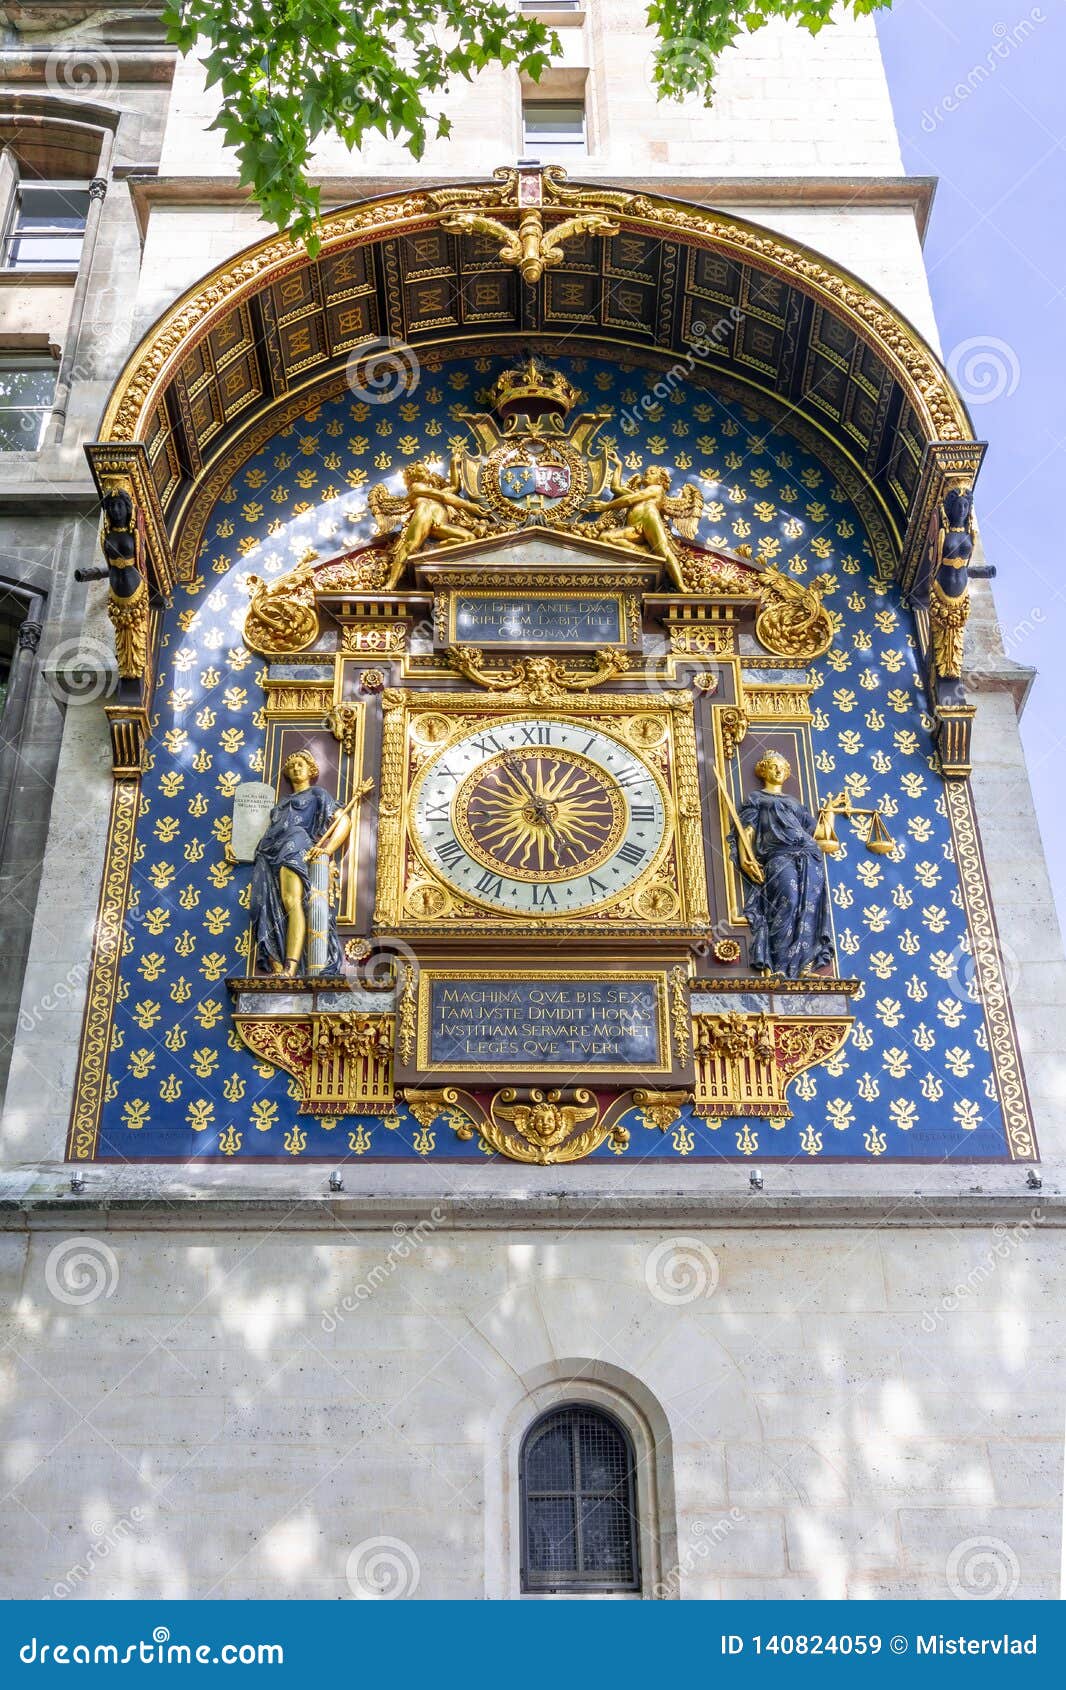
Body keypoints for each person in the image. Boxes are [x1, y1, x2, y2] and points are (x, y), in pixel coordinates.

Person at [250, 750, 350, 977]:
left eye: (300, 764)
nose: (295, 768)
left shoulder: (317, 794)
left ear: (311, 770)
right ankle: (278, 962)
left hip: (294, 846)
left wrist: (327, 850)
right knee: (268, 907)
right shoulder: (283, 802)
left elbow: (344, 821)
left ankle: (291, 967)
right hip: (268, 854)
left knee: (291, 902)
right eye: (292, 765)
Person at [734, 751, 833, 980]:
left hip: (810, 857)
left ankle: (804, 968)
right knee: (788, 901)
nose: (778, 770)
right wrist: (745, 858)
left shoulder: (795, 803)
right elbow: (747, 831)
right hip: (779, 856)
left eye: (782, 767)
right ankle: (780, 966)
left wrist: (830, 811)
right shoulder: (757, 799)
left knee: (809, 909)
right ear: (763, 770)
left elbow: (818, 833)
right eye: (773, 766)